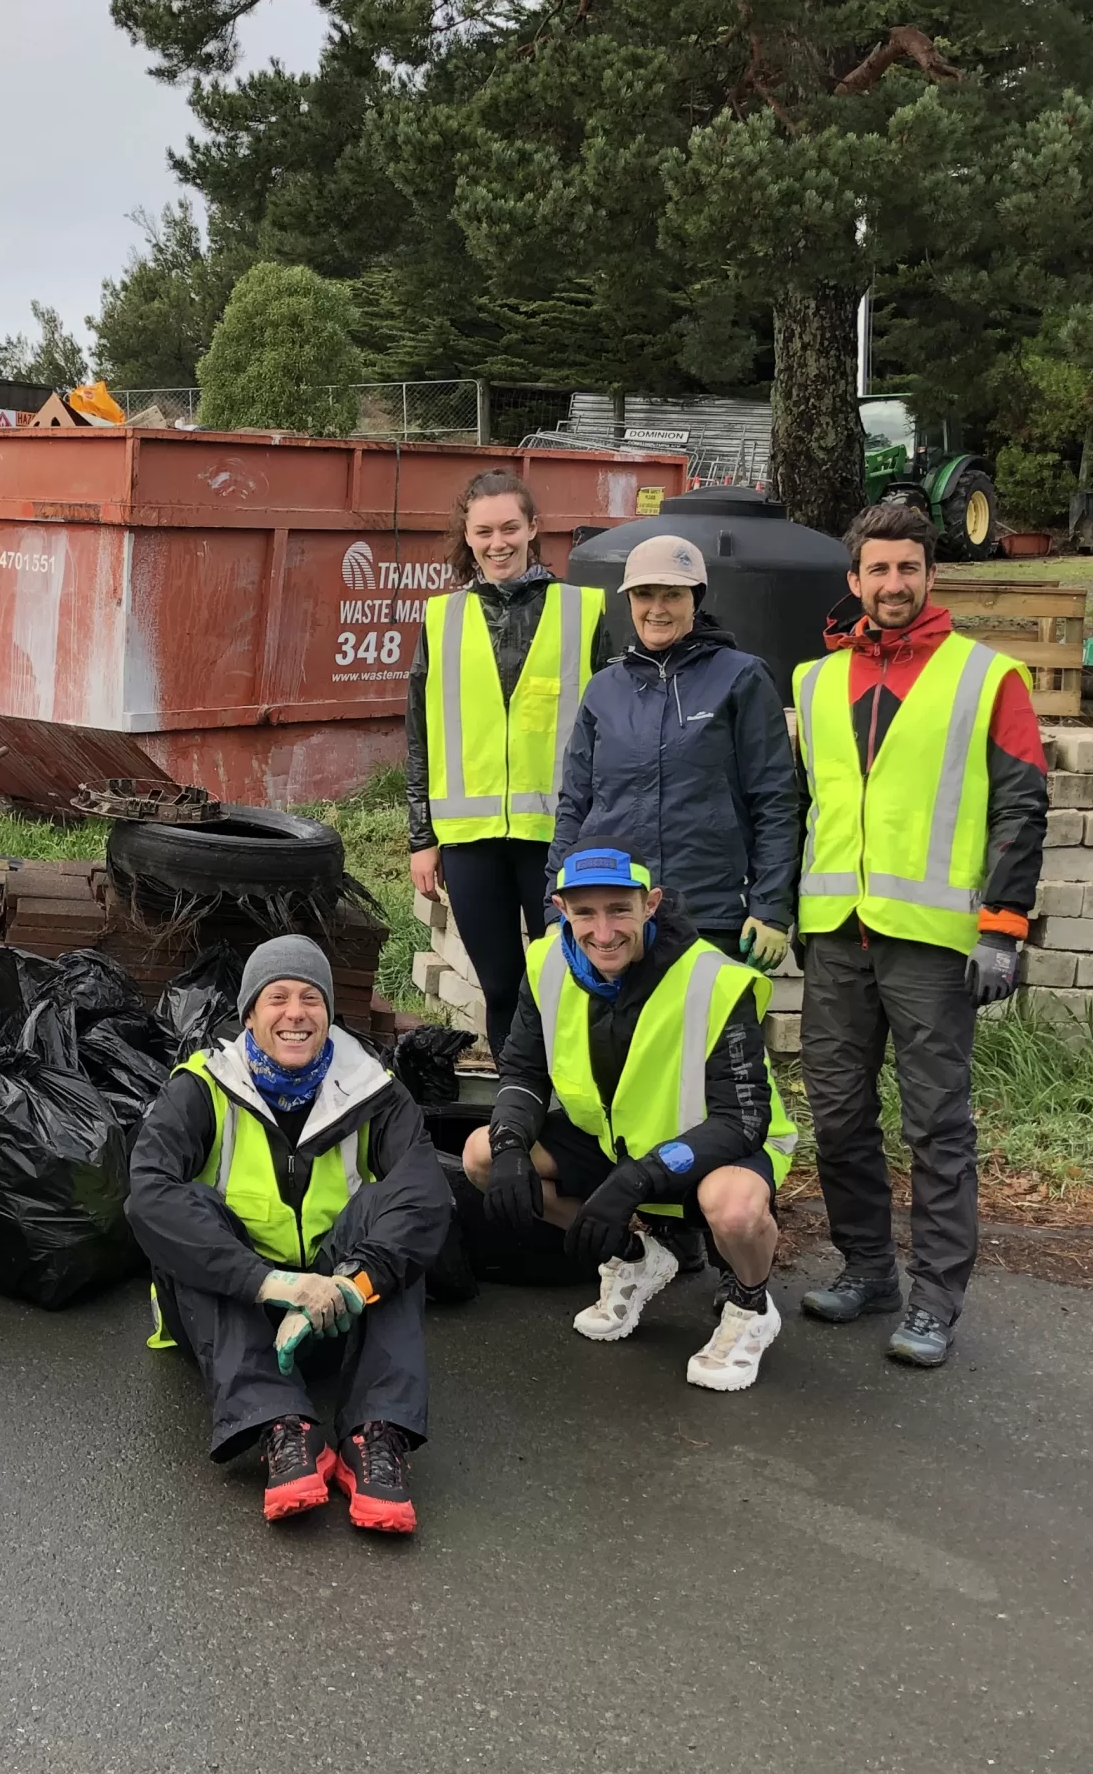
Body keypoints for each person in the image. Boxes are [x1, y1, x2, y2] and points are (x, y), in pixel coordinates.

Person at [792, 503, 1046, 1368]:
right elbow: (804, 805)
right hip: (835, 935)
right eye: (878, 571)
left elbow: (1021, 805)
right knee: (837, 1116)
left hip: (933, 946)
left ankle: (937, 1299)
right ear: (854, 580)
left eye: (909, 569)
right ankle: (870, 1268)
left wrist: (1003, 928)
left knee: (937, 1126)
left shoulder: (988, 678)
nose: (893, 584)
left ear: (930, 577)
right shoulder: (815, 681)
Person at [128, 937, 451, 1534]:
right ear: (249, 1014)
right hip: (233, 1310)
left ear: (329, 1013)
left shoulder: (375, 1092)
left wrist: (354, 1285)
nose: (295, 1012)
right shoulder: (200, 1088)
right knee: (190, 1212)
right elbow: (148, 1192)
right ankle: (281, 1425)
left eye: (310, 998)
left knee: (395, 1219)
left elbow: (425, 1197)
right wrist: (271, 1283)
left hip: (333, 1313)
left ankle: (373, 1435)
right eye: (276, 998)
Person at [461, 841, 799, 1392]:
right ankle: (634, 1258)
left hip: (709, 1147)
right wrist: (508, 1147)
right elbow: (522, 1074)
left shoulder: (713, 980)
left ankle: (750, 1305)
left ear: (652, 904)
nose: (603, 930)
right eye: (585, 912)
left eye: (620, 909)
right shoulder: (547, 965)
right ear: (561, 909)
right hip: (613, 1141)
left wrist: (639, 1178)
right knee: (480, 1154)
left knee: (733, 1210)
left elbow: (742, 1121)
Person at [407, 469, 609, 1054]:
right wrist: (423, 836)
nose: (499, 543)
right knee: (500, 985)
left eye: (510, 529)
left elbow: (608, 727)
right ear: (466, 537)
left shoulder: (583, 611)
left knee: (567, 980)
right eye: (484, 531)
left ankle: (572, 1109)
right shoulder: (441, 618)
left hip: (559, 834)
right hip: (470, 838)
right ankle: (517, 1106)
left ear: (533, 529)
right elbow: (419, 732)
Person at [551, 533, 798, 970]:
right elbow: (574, 804)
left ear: (695, 599)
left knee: (709, 1037)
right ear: (629, 600)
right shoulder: (605, 689)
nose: (657, 608)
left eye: (672, 594)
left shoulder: (741, 678)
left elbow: (775, 800)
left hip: (712, 913)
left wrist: (770, 907)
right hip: (616, 914)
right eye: (644, 594)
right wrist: (557, 905)